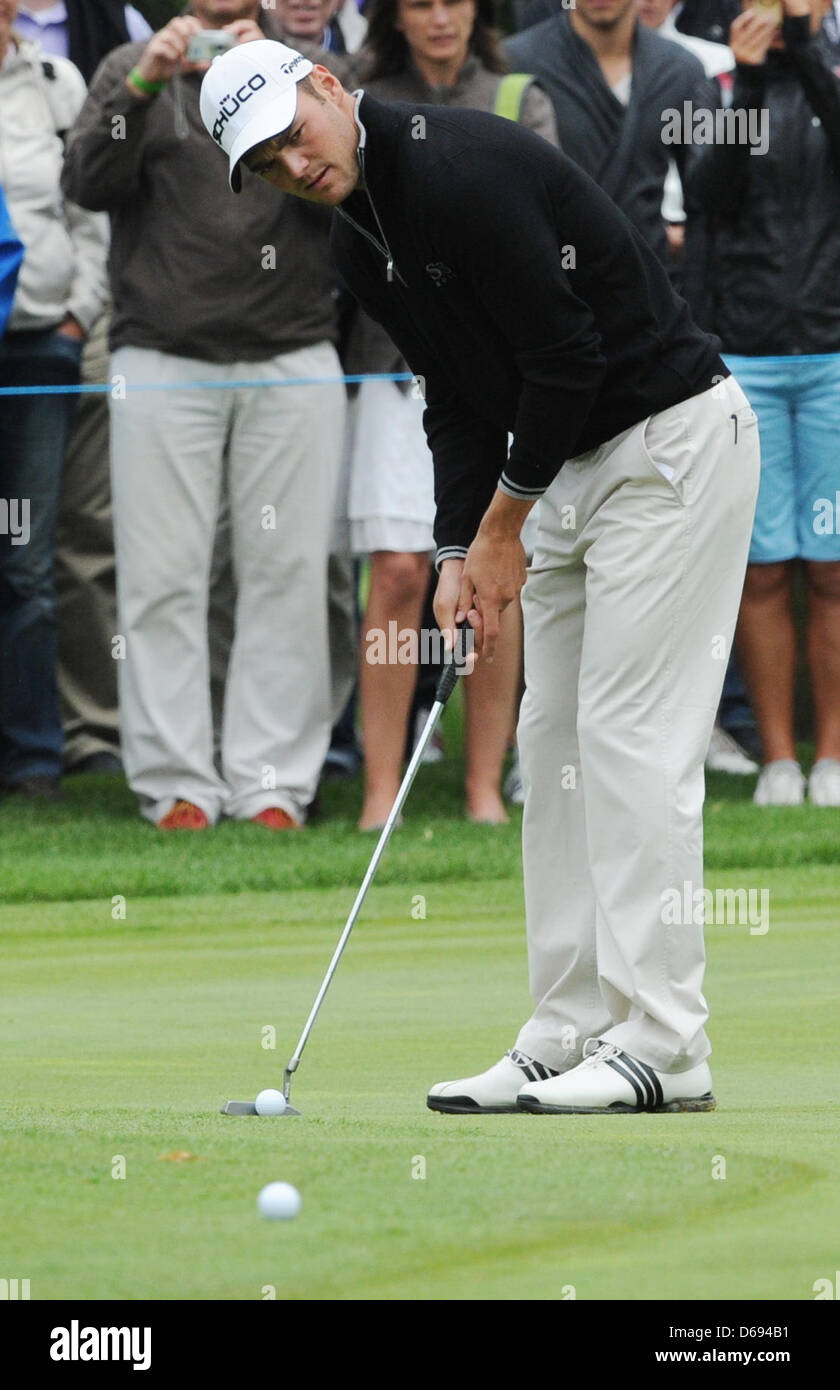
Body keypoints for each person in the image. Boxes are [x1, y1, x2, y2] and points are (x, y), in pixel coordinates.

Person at [200, 43, 760, 1114]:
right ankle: (566, 1028)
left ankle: (667, 1043)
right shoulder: (359, 245)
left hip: (670, 448)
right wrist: (460, 547)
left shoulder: (457, 168)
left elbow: (566, 354)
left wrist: (503, 530)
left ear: (325, 83)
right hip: (566, 469)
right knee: (549, 749)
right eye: (265, 163)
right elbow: (456, 400)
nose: (292, 165)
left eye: (291, 135)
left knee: (629, 739)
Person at [62, 8, 345, 831]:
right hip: (160, 354)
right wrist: (146, 84)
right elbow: (85, 182)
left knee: (287, 572)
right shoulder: (129, 67)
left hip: (290, 348)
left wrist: (277, 79)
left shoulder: (306, 66)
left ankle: (271, 784)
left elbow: (353, 184)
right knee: (161, 577)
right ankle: (175, 783)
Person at [344, 0, 558, 829]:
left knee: (492, 581)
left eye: (454, 1)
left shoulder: (515, 96)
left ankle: (481, 789)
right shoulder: (359, 96)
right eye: (420, 3)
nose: (439, 18)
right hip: (393, 367)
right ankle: (378, 795)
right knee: (399, 574)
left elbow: (540, 232)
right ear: (395, 17)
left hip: (500, 377)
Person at [685, 0, 840, 806]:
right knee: (765, 568)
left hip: (833, 358)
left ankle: (833, 758)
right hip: (746, 354)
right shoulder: (711, 89)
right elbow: (706, 192)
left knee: (833, 563)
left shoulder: (829, 74)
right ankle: (778, 757)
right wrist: (746, 83)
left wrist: (812, 53)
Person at [15, 0, 152, 779]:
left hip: (53, 335)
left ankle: (74, 739)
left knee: (53, 545)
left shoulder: (68, 67)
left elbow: (91, 204)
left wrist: (75, 319)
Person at [0, 2, 109, 802]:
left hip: (39, 345)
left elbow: (91, 208)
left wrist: (78, 314)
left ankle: (36, 756)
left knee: (27, 560)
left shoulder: (52, 81)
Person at [505, 0, 709, 273]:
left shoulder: (681, 69)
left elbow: (704, 197)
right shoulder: (516, 62)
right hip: (552, 282)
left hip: (652, 284)